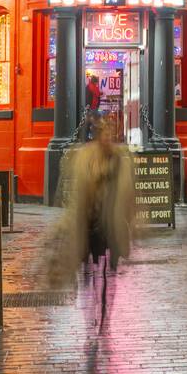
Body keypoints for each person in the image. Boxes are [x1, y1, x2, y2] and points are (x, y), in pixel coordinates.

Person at [57, 117, 137, 330]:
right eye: (104, 133)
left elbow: (128, 193)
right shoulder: (86, 157)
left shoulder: (120, 159)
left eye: (110, 133)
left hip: (110, 223)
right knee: (89, 270)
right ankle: (92, 306)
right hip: (90, 221)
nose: (107, 137)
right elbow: (79, 194)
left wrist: (133, 220)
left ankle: (104, 309)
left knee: (106, 270)